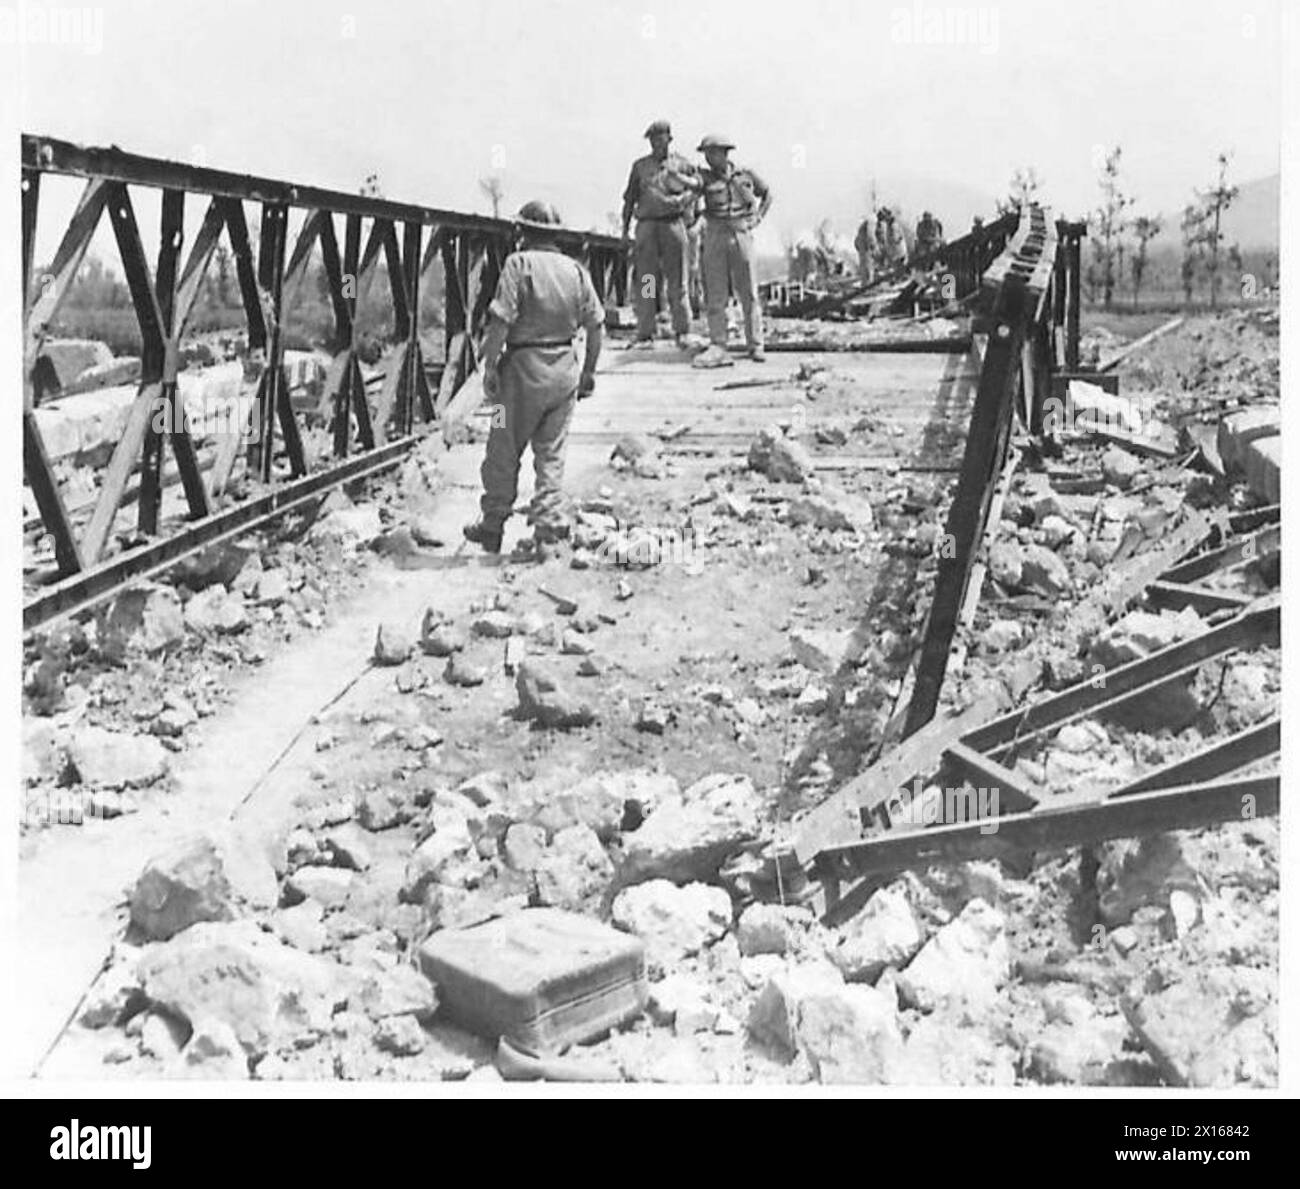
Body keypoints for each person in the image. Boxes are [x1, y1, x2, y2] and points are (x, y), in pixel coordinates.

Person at [462, 201, 604, 558]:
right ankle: (548, 529)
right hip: (563, 372)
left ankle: (492, 523)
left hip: (518, 375)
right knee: (552, 453)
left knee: (501, 446)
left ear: (522, 232)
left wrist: (490, 367)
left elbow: (500, 322)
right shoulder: (575, 270)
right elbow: (596, 325)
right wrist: (588, 371)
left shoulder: (517, 264)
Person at [693, 134, 772, 367]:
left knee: (749, 291)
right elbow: (690, 191)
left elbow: (767, 194)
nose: (708, 158)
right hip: (715, 232)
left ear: (724, 153)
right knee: (715, 292)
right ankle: (718, 343)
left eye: (712, 153)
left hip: (741, 232)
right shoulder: (703, 178)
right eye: (706, 154)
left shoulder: (745, 176)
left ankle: (756, 344)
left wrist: (757, 218)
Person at [620, 119, 700, 349]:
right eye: (652, 139)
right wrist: (625, 231)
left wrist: (686, 206)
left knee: (677, 281)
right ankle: (645, 331)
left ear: (668, 138)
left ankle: (682, 330)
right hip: (647, 226)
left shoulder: (682, 164)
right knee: (647, 280)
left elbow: (698, 189)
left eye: (660, 137)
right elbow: (629, 199)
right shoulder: (640, 167)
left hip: (673, 225)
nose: (656, 142)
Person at [854, 214, 875, 282]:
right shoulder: (867, 231)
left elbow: (856, 243)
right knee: (867, 270)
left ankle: (866, 283)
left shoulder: (861, 232)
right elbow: (871, 242)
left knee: (864, 270)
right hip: (866, 254)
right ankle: (868, 284)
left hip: (863, 254)